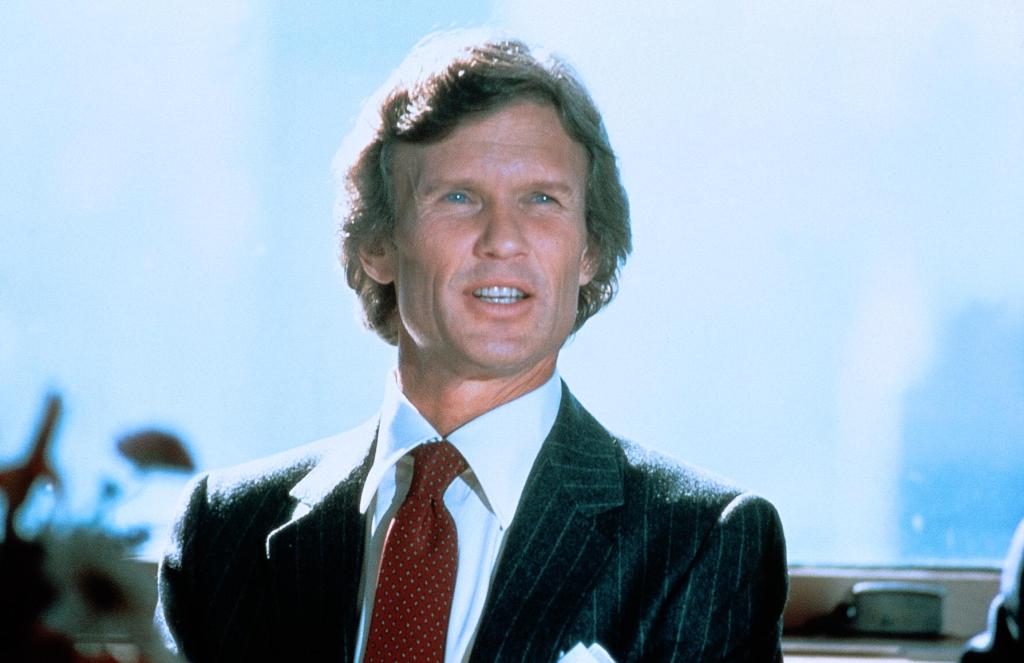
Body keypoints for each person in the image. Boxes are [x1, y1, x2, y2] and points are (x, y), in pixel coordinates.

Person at [156, 30, 788, 662]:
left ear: (589, 251)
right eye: (458, 197)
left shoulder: (701, 542)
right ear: (377, 244)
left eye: (542, 199)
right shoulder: (226, 531)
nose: (503, 239)